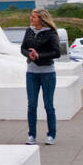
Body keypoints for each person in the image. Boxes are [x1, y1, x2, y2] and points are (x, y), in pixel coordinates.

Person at [20, 10, 60, 144]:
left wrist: (39, 56)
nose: (31, 18)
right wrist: (29, 55)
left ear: (41, 19)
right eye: (31, 16)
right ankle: (31, 136)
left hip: (47, 73)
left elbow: (57, 52)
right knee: (31, 105)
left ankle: (51, 135)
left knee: (48, 106)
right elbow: (23, 48)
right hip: (31, 73)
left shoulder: (51, 32)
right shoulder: (29, 31)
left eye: (34, 17)